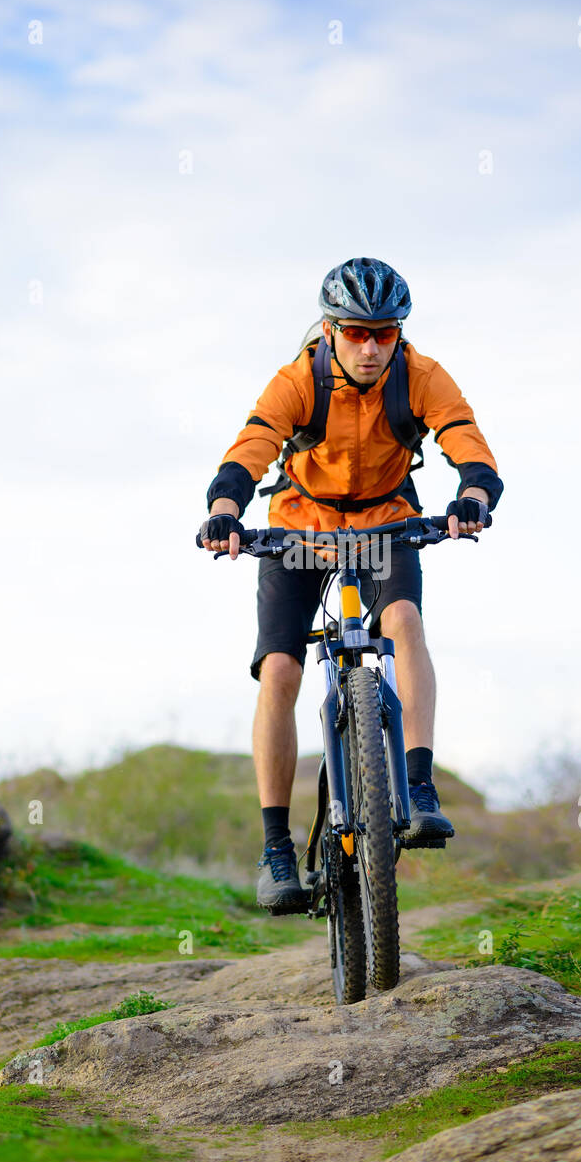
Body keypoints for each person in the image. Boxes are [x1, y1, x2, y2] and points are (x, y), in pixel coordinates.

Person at [198, 257, 503, 913]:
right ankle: (277, 845)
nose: (370, 347)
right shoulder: (298, 379)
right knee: (279, 671)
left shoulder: (419, 377)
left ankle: (417, 790)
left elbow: (466, 441)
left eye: (384, 334)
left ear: (399, 334)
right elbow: (252, 445)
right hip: (296, 530)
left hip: (386, 523)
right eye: (356, 332)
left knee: (403, 626)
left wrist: (472, 496)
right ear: (330, 329)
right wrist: (226, 510)